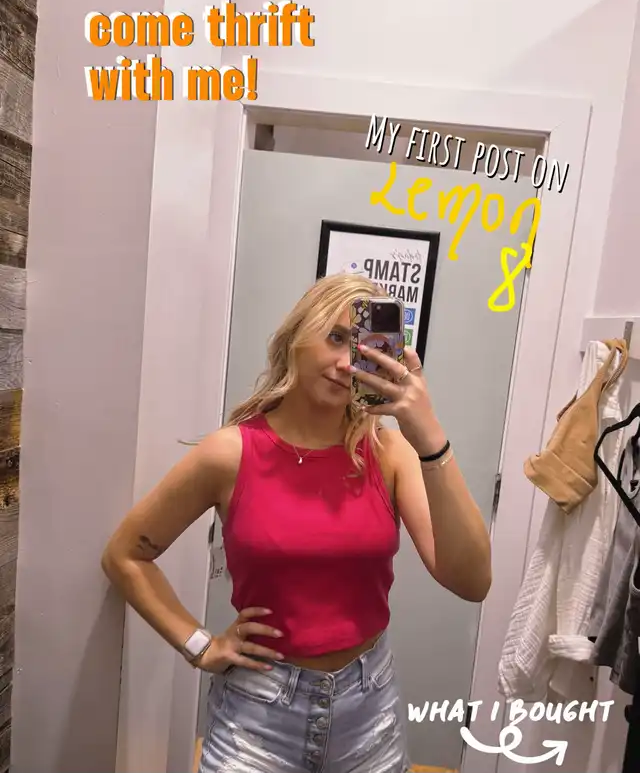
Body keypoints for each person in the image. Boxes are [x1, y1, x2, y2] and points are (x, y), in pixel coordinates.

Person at [101, 273, 492, 773]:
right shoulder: (230, 453)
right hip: (257, 717)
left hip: (368, 710)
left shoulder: (387, 451)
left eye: (364, 348)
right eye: (335, 337)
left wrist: (430, 436)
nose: (347, 362)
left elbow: (472, 581)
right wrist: (199, 645)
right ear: (296, 336)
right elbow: (126, 555)